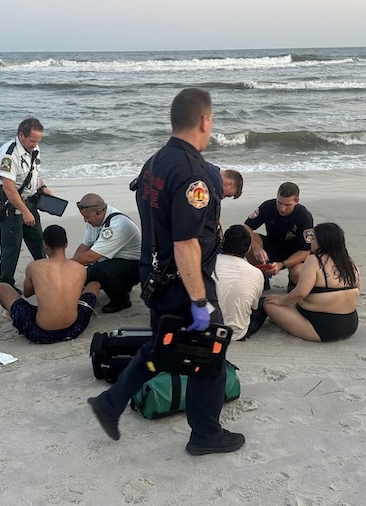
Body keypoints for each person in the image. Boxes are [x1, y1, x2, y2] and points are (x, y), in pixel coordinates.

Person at [87, 88, 245, 456]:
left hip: (153, 274)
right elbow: (187, 243)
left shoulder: (155, 162)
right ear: (205, 120)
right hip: (182, 279)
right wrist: (200, 301)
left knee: (164, 348)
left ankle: (111, 403)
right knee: (212, 354)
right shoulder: (195, 176)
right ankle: (206, 434)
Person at [0, 225, 100, 344]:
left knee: (2, 287)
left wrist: (42, 283)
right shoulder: (80, 268)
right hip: (74, 328)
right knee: (94, 284)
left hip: (41, 333)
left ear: (45, 246)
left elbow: (27, 293)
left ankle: (10, 313)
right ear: (66, 244)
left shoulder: (34, 266)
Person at [264, 222, 360, 342]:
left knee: (269, 303)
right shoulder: (350, 263)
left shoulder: (314, 260)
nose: (309, 241)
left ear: (322, 241)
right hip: (350, 324)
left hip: (323, 329)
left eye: (313, 238)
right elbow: (357, 290)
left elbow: (300, 292)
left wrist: (282, 301)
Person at [0, 118, 54, 287]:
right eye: (32, 140)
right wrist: (25, 212)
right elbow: (8, 187)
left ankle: (45, 277)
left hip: (30, 200)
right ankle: (5, 284)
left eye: (38, 141)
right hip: (10, 204)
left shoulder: (34, 147)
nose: (35, 144)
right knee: (11, 248)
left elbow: (34, 172)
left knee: (38, 241)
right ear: (21, 135)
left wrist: (44, 187)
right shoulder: (9, 153)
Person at [71, 193, 141, 313]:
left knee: (99, 270)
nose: (85, 220)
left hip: (136, 266)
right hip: (116, 261)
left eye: (87, 217)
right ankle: (122, 287)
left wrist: (62, 264)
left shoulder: (116, 226)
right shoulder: (94, 221)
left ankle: (122, 301)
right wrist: (71, 267)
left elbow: (91, 257)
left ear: (99, 212)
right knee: (85, 274)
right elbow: (84, 246)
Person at [243, 182, 314, 288]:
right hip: (272, 245)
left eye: (287, 205)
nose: (282, 208)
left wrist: (282, 265)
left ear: (296, 202)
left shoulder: (304, 217)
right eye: (279, 203)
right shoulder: (268, 206)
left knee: (298, 273)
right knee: (245, 240)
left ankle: (293, 282)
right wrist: (256, 247)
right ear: (276, 197)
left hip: (294, 252)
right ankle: (262, 276)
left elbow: (305, 251)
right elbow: (246, 227)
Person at [214, 225, 266, 341]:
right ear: (248, 249)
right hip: (236, 333)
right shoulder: (256, 273)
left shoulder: (208, 265)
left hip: (208, 328)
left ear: (223, 243)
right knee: (264, 303)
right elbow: (254, 306)